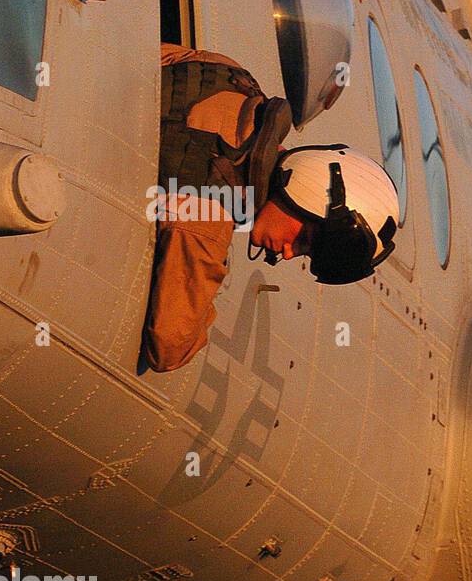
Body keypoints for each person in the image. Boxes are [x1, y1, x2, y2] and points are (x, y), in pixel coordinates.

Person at [142, 45, 398, 372]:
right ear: (307, 194)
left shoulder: (229, 74)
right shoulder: (209, 215)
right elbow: (168, 349)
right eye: (305, 240)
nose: (289, 253)